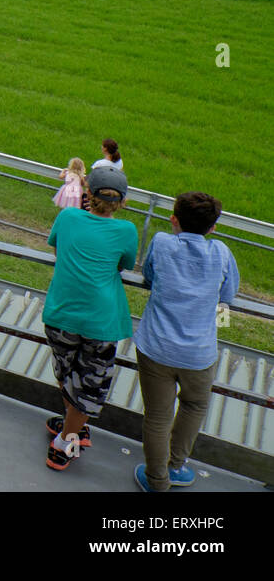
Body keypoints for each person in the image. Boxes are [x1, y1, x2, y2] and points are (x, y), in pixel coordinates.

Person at [132, 192, 240, 492]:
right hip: (199, 354)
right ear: (213, 227)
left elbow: (150, 277)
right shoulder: (221, 251)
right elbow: (227, 295)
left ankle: (157, 481)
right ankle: (176, 467)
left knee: (157, 416)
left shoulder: (162, 243)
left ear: (173, 219)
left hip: (156, 348)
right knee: (194, 407)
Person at [42, 164, 138, 471]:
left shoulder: (68, 216)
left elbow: (58, 248)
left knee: (66, 374)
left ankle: (73, 426)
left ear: (87, 194)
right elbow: (124, 263)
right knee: (90, 384)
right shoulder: (127, 230)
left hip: (61, 313)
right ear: (122, 202)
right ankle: (66, 442)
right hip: (101, 321)